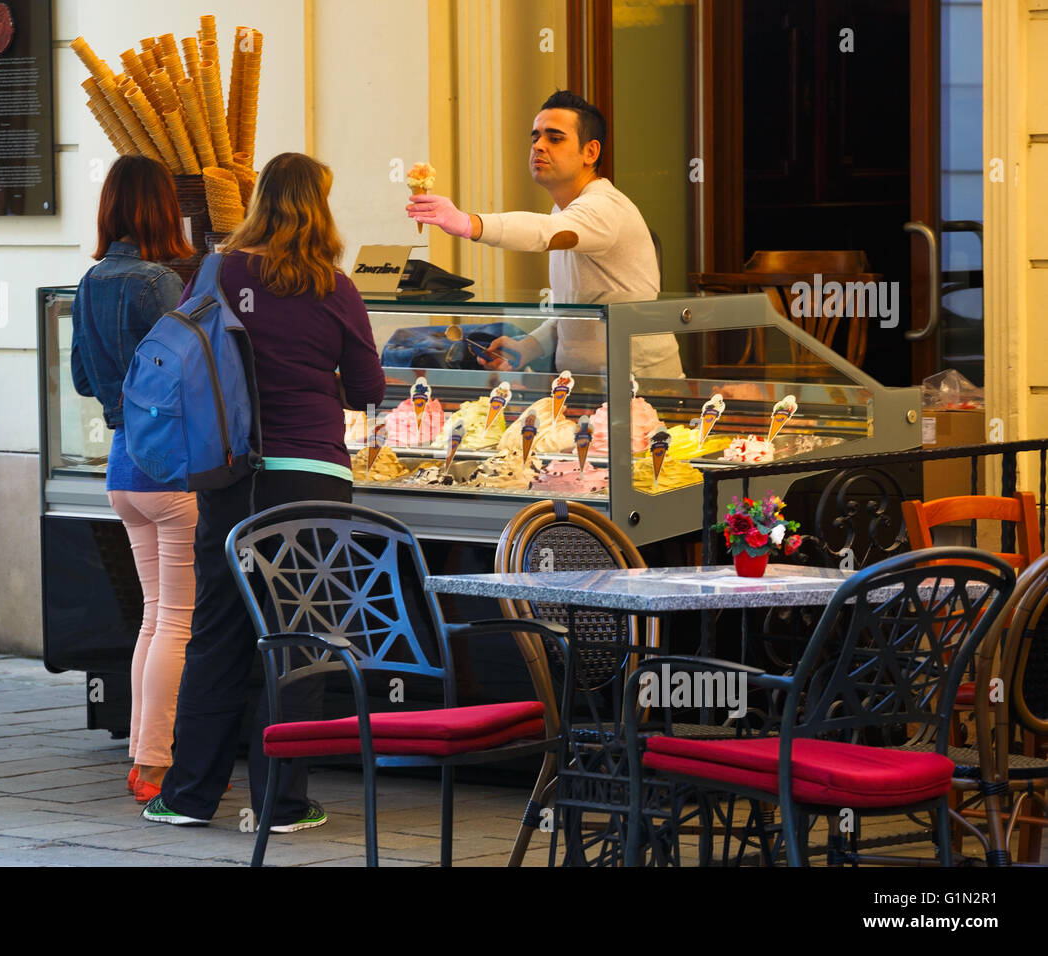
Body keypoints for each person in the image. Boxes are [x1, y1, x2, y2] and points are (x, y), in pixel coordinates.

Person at [141, 152, 387, 832]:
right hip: (315, 481)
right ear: (321, 209)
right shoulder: (334, 286)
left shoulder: (220, 271)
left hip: (234, 474)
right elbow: (368, 390)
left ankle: (189, 797)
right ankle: (282, 802)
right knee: (299, 638)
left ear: (258, 203)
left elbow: (188, 356)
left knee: (217, 632)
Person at [70, 155, 196, 804]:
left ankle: (143, 753)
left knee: (155, 615)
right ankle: (155, 762)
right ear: (162, 207)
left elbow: (84, 381)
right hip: (172, 466)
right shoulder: (159, 283)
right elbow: (189, 375)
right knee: (178, 617)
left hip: (123, 466)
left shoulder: (92, 281)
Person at [407, 89, 683, 379]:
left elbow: (542, 232)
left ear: (590, 152)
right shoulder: (562, 213)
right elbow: (572, 313)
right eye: (535, 137)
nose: (539, 146)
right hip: (586, 387)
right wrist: (526, 347)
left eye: (554, 138)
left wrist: (467, 223)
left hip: (643, 385)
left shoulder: (605, 207)